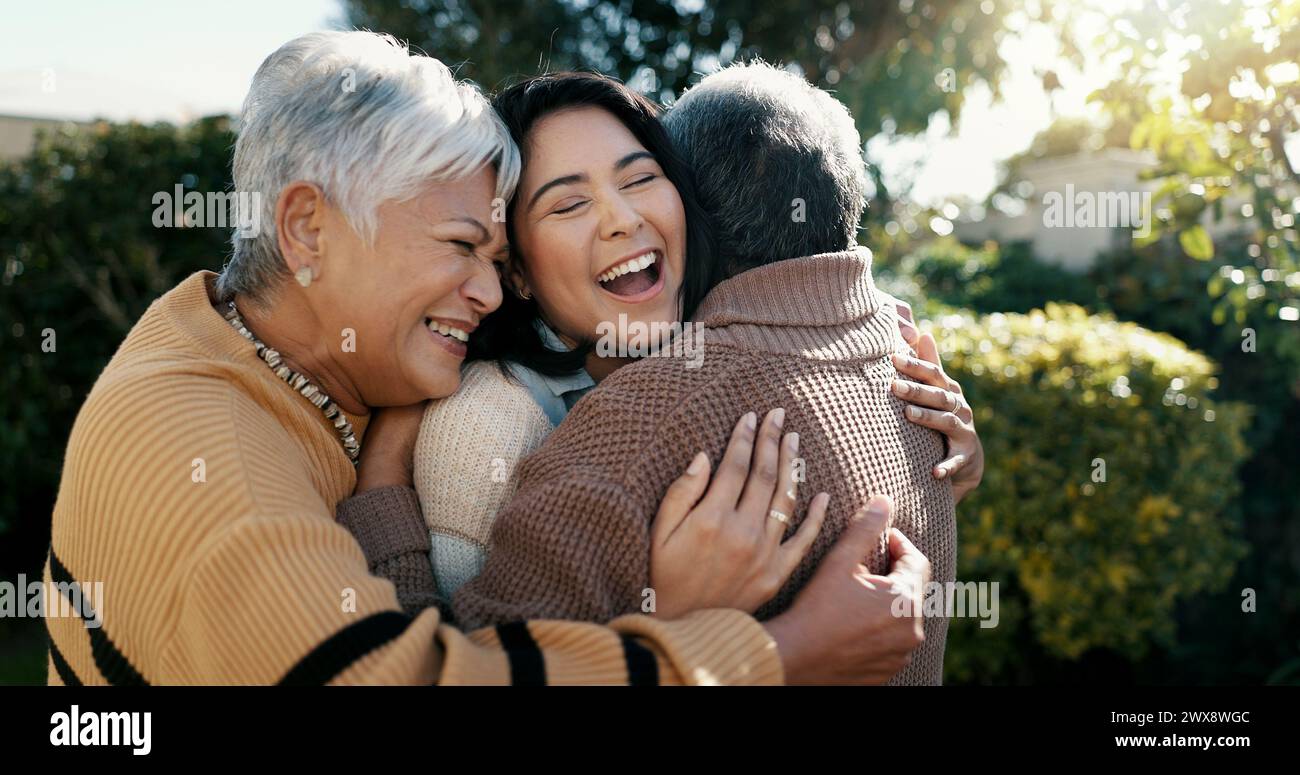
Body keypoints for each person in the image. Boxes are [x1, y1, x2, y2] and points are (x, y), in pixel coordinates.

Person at [44, 31, 932, 686]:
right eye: (463, 245)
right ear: (308, 228)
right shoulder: (209, 454)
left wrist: (895, 373)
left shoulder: (294, 362)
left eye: (494, 256)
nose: (488, 288)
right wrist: (777, 649)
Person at [446, 63, 983, 685]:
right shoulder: (487, 425)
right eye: (568, 202)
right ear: (515, 269)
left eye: (642, 177)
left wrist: (952, 468)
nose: (621, 219)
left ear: (693, 204)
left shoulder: (896, 366)